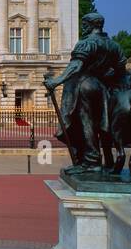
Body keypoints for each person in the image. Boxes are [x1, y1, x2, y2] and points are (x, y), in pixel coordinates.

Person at [44, 11, 126, 173]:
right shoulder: (114, 45)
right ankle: (100, 159)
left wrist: (56, 81)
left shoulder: (86, 43)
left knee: (84, 123)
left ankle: (91, 161)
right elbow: (120, 70)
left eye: (84, 24)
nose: (82, 27)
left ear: (90, 25)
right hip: (103, 89)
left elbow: (76, 66)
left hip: (83, 86)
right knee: (99, 124)